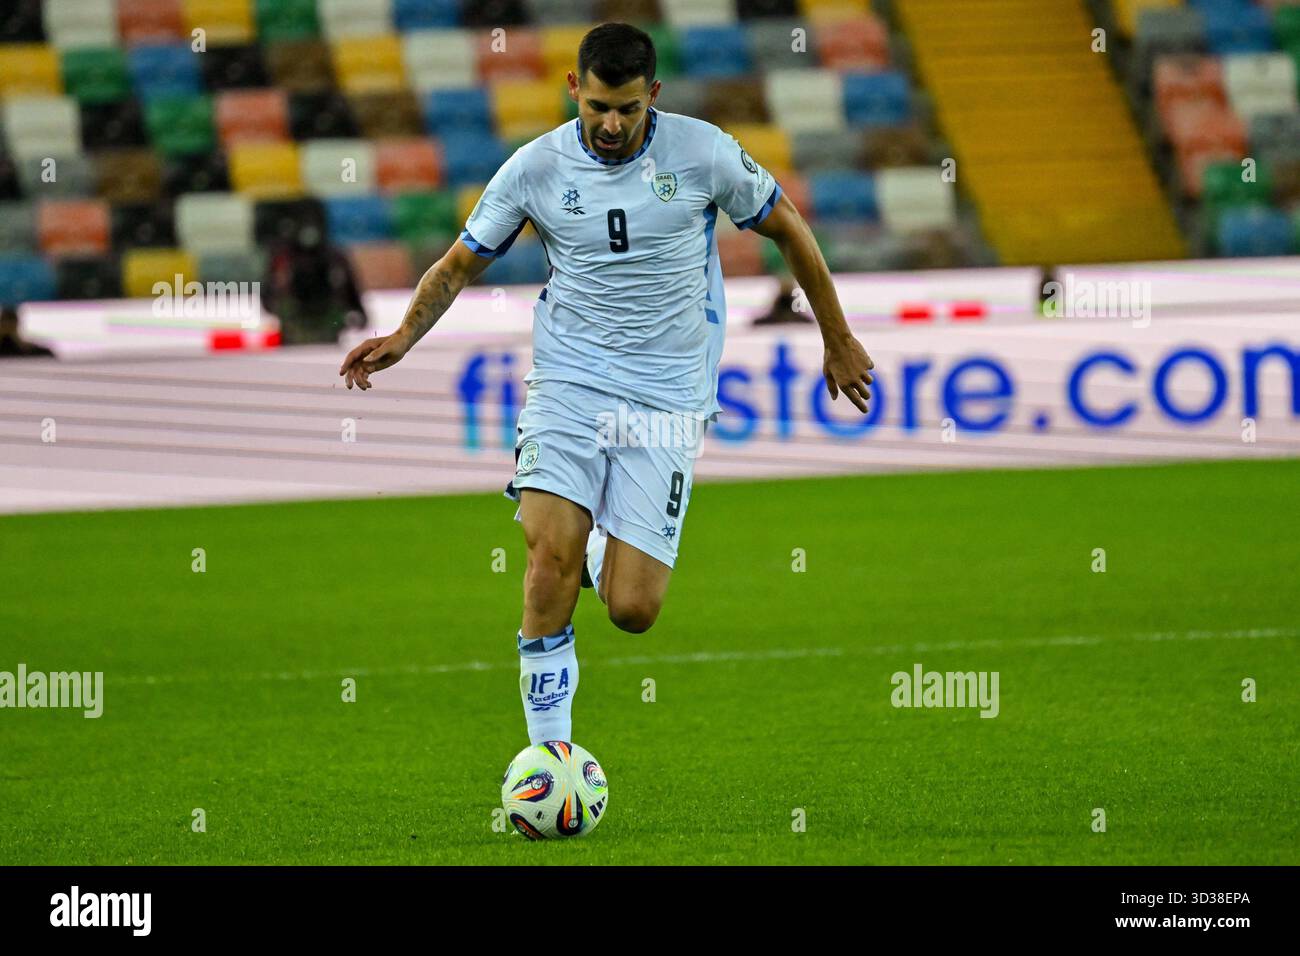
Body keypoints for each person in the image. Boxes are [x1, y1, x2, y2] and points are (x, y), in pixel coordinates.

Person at [338, 23, 874, 748]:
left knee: (632, 609)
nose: (611, 123)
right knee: (545, 559)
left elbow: (790, 229)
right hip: (571, 380)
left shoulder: (704, 152)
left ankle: (600, 553)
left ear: (652, 94)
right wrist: (402, 335)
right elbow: (459, 263)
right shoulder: (535, 168)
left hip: (668, 393)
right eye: (596, 106)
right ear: (573, 90)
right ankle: (547, 753)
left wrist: (836, 337)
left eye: (627, 107)